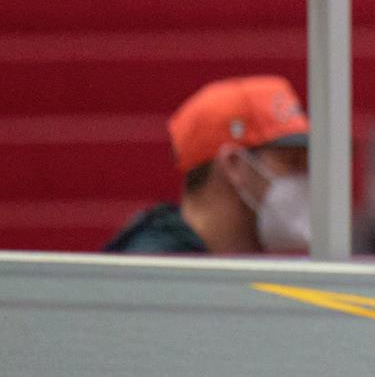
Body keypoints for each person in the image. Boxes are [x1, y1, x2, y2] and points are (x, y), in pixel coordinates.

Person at [103, 75, 313, 255]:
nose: (308, 179)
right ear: (234, 164)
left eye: (309, 165)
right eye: (293, 162)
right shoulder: (151, 276)